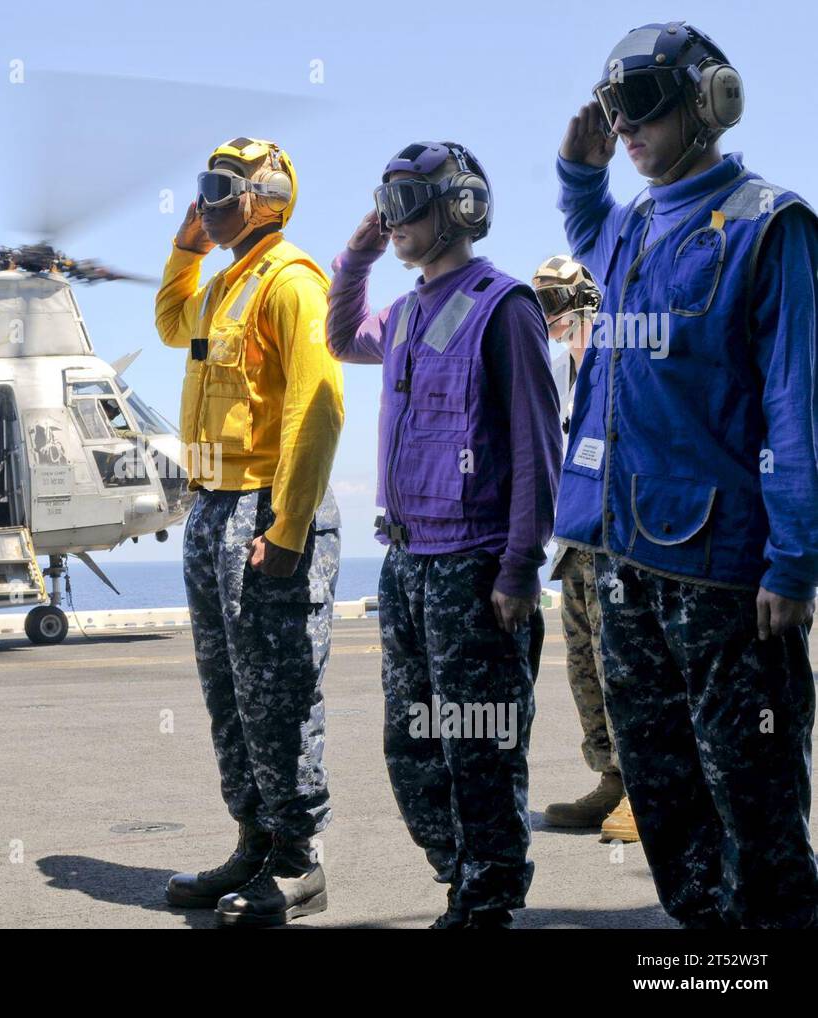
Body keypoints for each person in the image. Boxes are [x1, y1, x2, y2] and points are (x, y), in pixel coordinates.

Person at [555, 21, 818, 927]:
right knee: (666, 804)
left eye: (643, 106)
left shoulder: (769, 225)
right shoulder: (633, 226)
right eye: (614, 109)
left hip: (724, 576)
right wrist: (579, 172)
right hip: (624, 561)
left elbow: (794, 402)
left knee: (755, 805)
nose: (625, 126)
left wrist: (794, 561)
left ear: (710, 102)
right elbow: (588, 230)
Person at [327, 142, 561, 928]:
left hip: (474, 567)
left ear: (458, 207)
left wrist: (520, 568)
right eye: (385, 203)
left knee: (481, 753)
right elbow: (339, 337)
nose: (392, 219)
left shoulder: (504, 307)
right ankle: (464, 880)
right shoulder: (404, 315)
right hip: (406, 565)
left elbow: (536, 447)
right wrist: (357, 254)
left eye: (406, 204)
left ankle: (486, 901)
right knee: (414, 751)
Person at [155, 138, 345, 926]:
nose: (205, 202)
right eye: (202, 187)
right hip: (213, 509)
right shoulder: (223, 288)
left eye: (218, 188)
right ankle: (254, 841)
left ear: (263, 198)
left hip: (266, 509)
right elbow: (170, 322)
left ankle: (299, 861)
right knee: (231, 695)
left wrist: (290, 526)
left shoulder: (291, 283)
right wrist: (185, 250)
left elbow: (317, 406)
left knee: (280, 695)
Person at [532, 258, 637, 843]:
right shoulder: (558, 370)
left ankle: (645, 787)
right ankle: (611, 778)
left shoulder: (621, 358)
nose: (548, 316)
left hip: (618, 538)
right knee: (583, 665)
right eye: (540, 303)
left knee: (622, 663)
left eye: (555, 301)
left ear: (586, 300)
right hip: (573, 538)